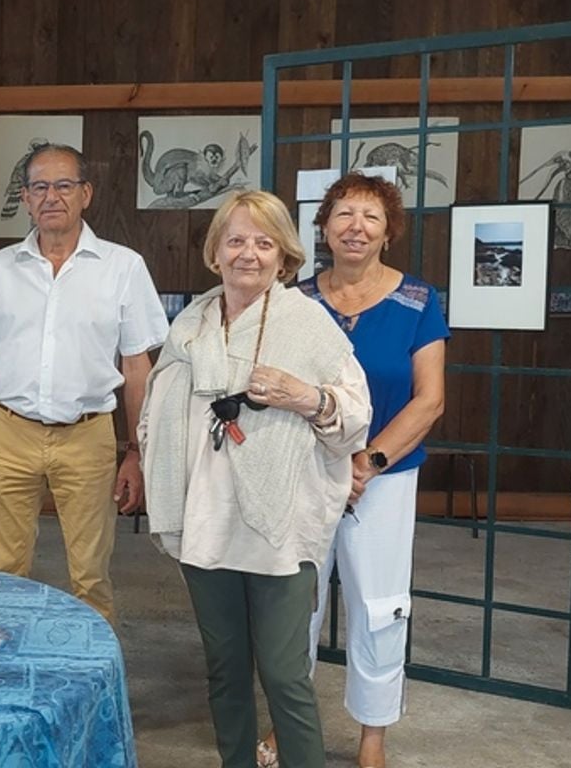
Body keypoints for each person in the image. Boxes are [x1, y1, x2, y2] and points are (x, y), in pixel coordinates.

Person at [141, 190, 371, 768]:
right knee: (223, 666)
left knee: (284, 672)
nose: (249, 254)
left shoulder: (308, 324)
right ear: (215, 251)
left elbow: (354, 419)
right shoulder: (190, 324)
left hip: (280, 528)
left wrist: (307, 397)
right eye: (236, 240)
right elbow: (158, 411)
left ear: (285, 257)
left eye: (264, 243)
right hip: (205, 519)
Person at [262, 173, 447, 768]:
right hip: (304, 471)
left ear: (388, 233)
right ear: (323, 228)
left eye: (370, 217)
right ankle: (284, 723)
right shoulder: (296, 300)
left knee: (379, 605)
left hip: (383, 479)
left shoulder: (419, 301)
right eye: (343, 215)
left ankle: (372, 737)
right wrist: (332, 459)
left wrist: (367, 462)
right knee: (296, 604)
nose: (355, 227)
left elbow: (429, 399)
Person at [0, 143, 168, 622]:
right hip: (9, 432)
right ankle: (4, 664)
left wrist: (137, 452)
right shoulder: (0, 269)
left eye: (64, 185)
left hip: (88, 433)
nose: (52, 196)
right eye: (40, 187)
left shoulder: (122, 267)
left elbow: (138, 370)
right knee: (3, 568)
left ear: (85, 194)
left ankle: (93, 681)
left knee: (90, 574)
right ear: (26, 199)